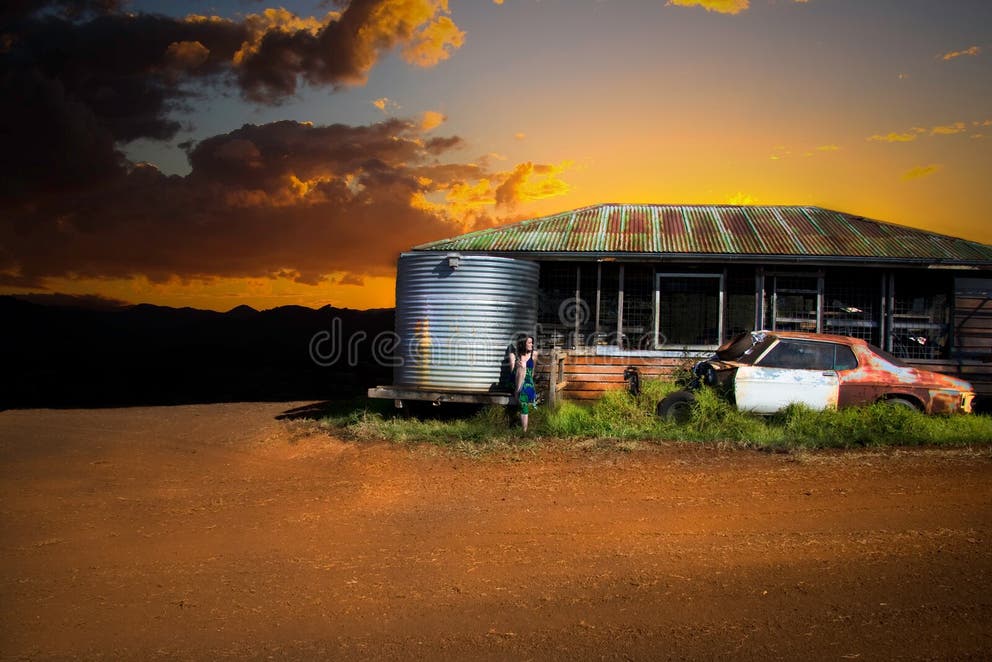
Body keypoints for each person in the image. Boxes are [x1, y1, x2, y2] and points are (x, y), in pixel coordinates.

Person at [512, 335, 538, 432]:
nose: (532, 344)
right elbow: (512, 372)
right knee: (522, 367)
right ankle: (517, 390)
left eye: (532, 342)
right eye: (529, 343)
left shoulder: (534, 354)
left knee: (524, 394)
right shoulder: (515, 355)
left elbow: (533, 372)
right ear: (523, 344)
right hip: (516, 379)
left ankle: (524, 430)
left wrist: (529, 381)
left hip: (528, 381)